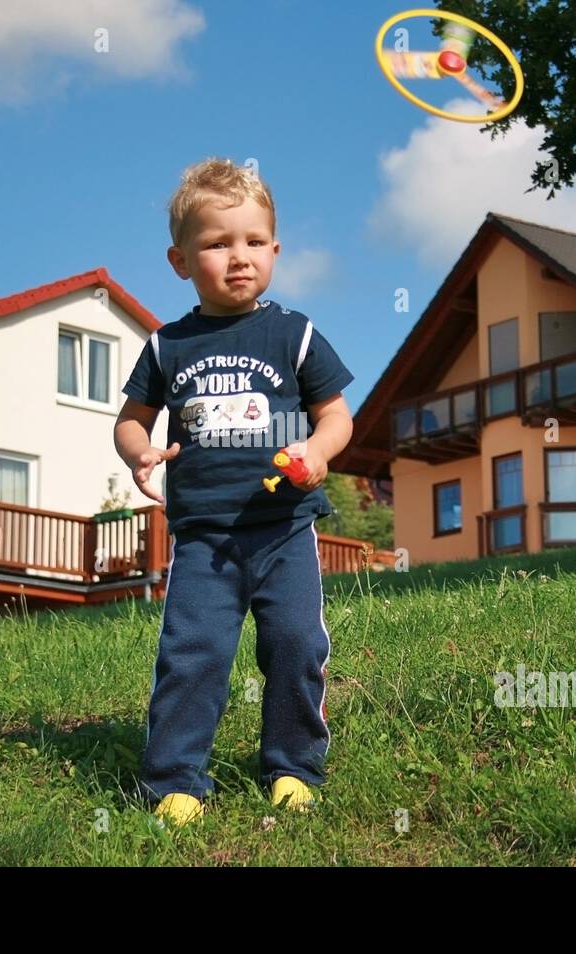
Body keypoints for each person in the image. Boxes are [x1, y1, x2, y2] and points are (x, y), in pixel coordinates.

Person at [113, 157, 354, 827]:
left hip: (284, 529)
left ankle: (293, 767)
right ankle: (174, 781)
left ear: (275, 250)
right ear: (180, 260)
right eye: (217, 244)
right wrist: (141, 453)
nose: (238, 257)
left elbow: (337, 415)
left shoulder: (294, 334)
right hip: (204, 539)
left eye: (253, 242)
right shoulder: (168, 346)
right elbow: (131, 421)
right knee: (193, 655)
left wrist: (319, 449)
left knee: (296, 644)